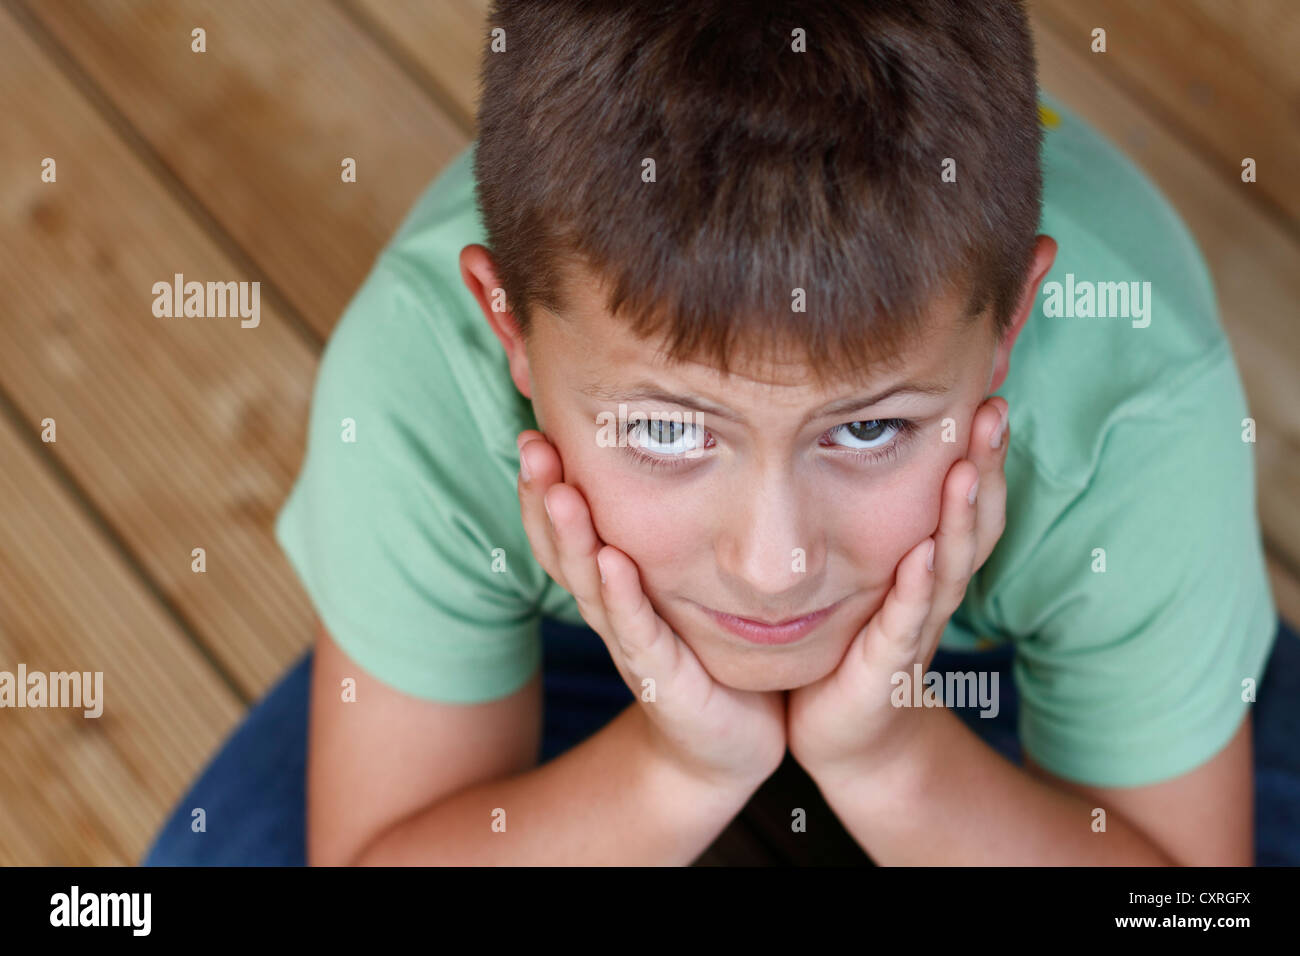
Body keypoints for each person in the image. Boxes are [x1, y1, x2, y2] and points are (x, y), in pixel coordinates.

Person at [146, 0, 1284, 865]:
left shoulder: (1137, 395)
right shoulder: (418, 368)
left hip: (989, 679)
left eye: (873, 427)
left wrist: (888, 754)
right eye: (666, 430)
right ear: (511, 335)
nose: (774, 562)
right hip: (595, 646)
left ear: (1007, 333)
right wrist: (679, 764)